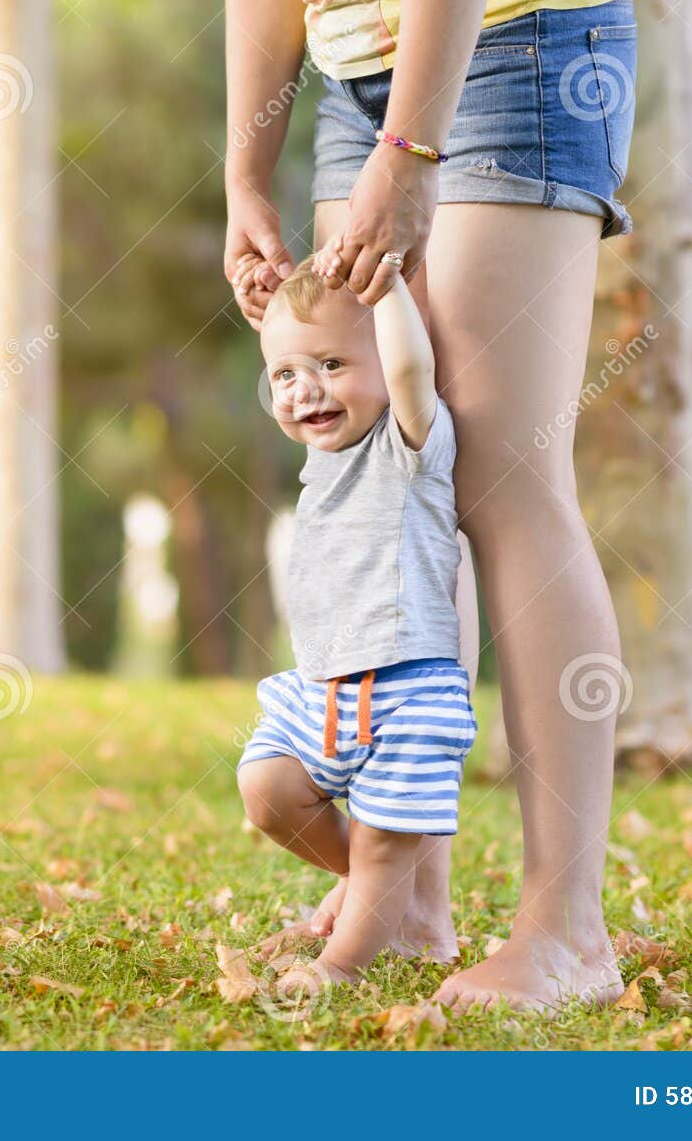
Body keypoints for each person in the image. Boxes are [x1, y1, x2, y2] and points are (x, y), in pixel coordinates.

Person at [224, 0, 637, 1012]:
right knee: (390, 476)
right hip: (352, 71)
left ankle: (565, 933)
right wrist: (242, 174)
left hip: (515, 37)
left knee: (501, 477)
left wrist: (408, 150)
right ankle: (409, 912)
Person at [238, 255, 477, 985]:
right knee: (266, 788)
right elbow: (295, 348)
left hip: (405, 691)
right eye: (285, 374)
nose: (306, 387)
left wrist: (388, 289)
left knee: (381, 848)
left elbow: (408, 368)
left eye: (334, 363)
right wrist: (280, 316)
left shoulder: (408, 446)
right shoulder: (320, 462)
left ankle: (341, 963)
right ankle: (376, 891)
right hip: (321, 690)